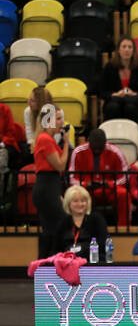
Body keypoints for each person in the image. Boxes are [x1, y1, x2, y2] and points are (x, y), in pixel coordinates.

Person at [32, 100, 70, 259]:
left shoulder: (48, 139)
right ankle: (50, 261)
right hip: (46, 186)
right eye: (59, 118)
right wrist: (67, 142)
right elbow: (60, 165)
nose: (62, 122)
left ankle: (45, 263)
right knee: (61, 224)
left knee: (50, 228)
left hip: (49, 186)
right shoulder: (45, 139)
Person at [69, 129, 130, 227]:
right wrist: (85, 184)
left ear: (105, 143)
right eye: (94, 148)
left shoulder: (115, 151)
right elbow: (72, 178)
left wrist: (109, 184)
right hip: (86, 191)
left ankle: (124, 227)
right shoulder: (78, 151)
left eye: (100, 148)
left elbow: (125, 176)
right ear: (89, 142)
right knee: (73, 195)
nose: (97, 150)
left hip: (109, 189)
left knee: (123, 194)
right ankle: (77, 228)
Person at [99, 38, 138, 124]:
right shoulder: (110, 66)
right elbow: (102, 91)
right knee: (113, 107)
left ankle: (133, 134)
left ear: (133, 51)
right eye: (124, 47)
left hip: (134, 102)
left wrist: (135, 94)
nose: (127, 50)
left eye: (130, 47)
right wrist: (114, 94)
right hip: (115, 101)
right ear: (118, 50)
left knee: (130, 107)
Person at [51, 184, 109, 259]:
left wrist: (83, 250)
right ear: (68, 204)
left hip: (91, 263)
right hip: (67, 264)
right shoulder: (63, 222)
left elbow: (103, 245)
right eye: (75, 201)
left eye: (83, 201)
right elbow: (55, 250)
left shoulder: (96, 219)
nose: (80, 204)